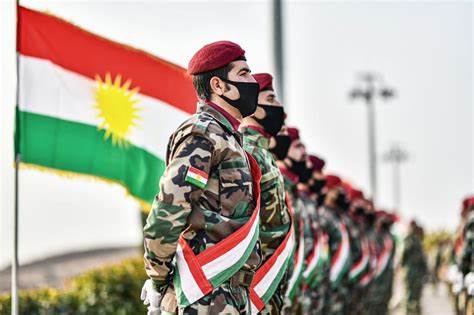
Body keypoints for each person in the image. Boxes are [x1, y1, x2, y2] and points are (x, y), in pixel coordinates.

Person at [141, 40, 263, 314]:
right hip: (205, 293)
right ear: (218, 86)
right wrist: (158, 278)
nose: (253, 82)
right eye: (243, 74)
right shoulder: (202, 133)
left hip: (231, 291)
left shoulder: (230, 139)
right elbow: (169, 208)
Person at [240, 73, 292, 314]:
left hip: (270, 281)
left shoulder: (263, 155)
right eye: (270, 98)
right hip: (257, 282)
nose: (278, 107)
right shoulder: (247, 152)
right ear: (253, 106)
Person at [401, 220, 428, 315]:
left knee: (412, 296)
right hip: (413, 273)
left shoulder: (411, 240)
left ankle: (412, 312)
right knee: (412, 296)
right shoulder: (415, 241)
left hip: (413, 273)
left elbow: (403, 256)